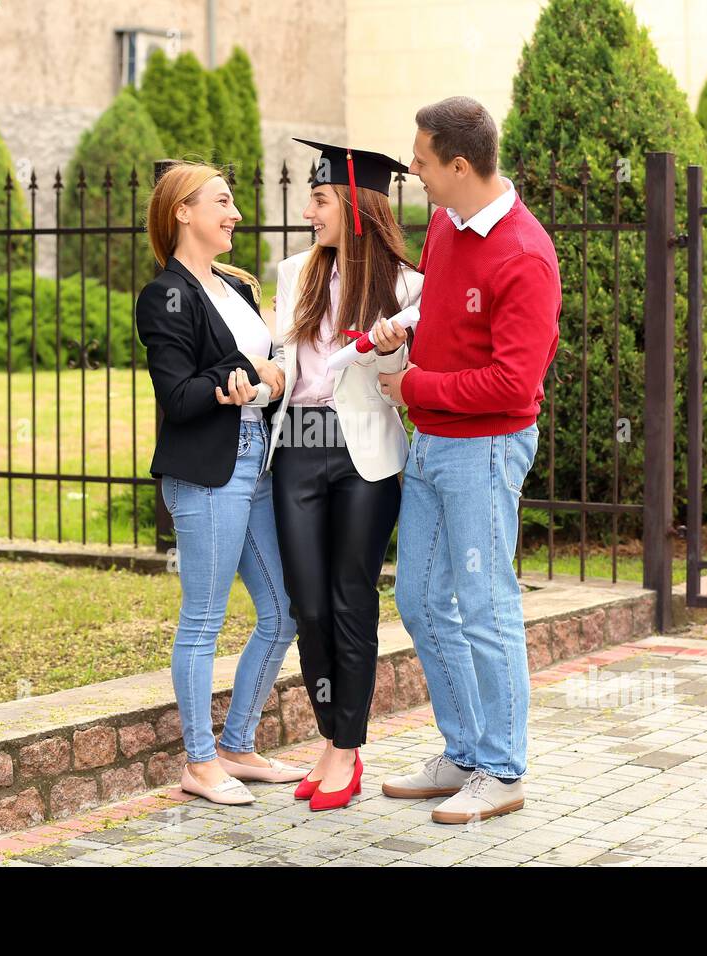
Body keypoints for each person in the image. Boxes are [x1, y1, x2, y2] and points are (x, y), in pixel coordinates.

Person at [376, 96, 561, 824]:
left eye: (422, 161)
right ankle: (464, 753)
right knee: (419, 600)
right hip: (433, 442)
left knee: (487, 606)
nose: (413, 171)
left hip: (484, 447)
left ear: (459, 164)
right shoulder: (449, 229)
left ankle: (504, 769)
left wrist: (414, 384)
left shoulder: (525, 252)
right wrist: (407, 329)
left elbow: (517, 383)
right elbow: (445, 311)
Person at [135, 159, 308, 806]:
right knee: (204, 620)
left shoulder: (234, 285)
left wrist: (276, 376)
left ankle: (237, 745)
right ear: (182, 210)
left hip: (256, 456)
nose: (235, 213)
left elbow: (274, 362)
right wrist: (242, 372)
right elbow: (179, 397)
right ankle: (200, 764)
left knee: (284, 610)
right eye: (222, 202)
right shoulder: (166, 295)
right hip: (209, 471)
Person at [265, 140, 424, 812]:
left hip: (365, 455)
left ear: (357, 207)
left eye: (320, 199)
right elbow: (282, 364)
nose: (308, 211)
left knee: (351, 601)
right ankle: (331, 734)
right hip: (299, 448)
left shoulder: (409, 287)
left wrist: (392, 358)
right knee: (309, 605)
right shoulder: (292, 271)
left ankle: (345, 748)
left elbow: (404, 391)